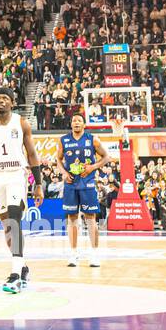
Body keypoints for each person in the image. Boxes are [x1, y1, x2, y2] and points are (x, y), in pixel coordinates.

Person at [0, 86, 43, 295]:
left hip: (15, 175)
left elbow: (32, 154)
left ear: (12, 103)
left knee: (14, 220)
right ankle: (22, 266)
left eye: (5, 98)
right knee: (7, 229)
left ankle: (15, 275)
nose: (0, 101)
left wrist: (38, 184)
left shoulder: (21, 122)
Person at [56, 111, 111, 268]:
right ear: (71, 124)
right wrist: (64, 173)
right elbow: (58, 159)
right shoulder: (64, 140)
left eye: (79, 120)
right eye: (74, 120)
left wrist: (93, 167)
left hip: (87, 184)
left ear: (84, 124)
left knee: (91, 219)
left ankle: (94, 254)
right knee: (72, 219)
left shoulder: (92, 139)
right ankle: (73, 254)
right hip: (70, 184)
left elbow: (106, 157)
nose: (76, 123)